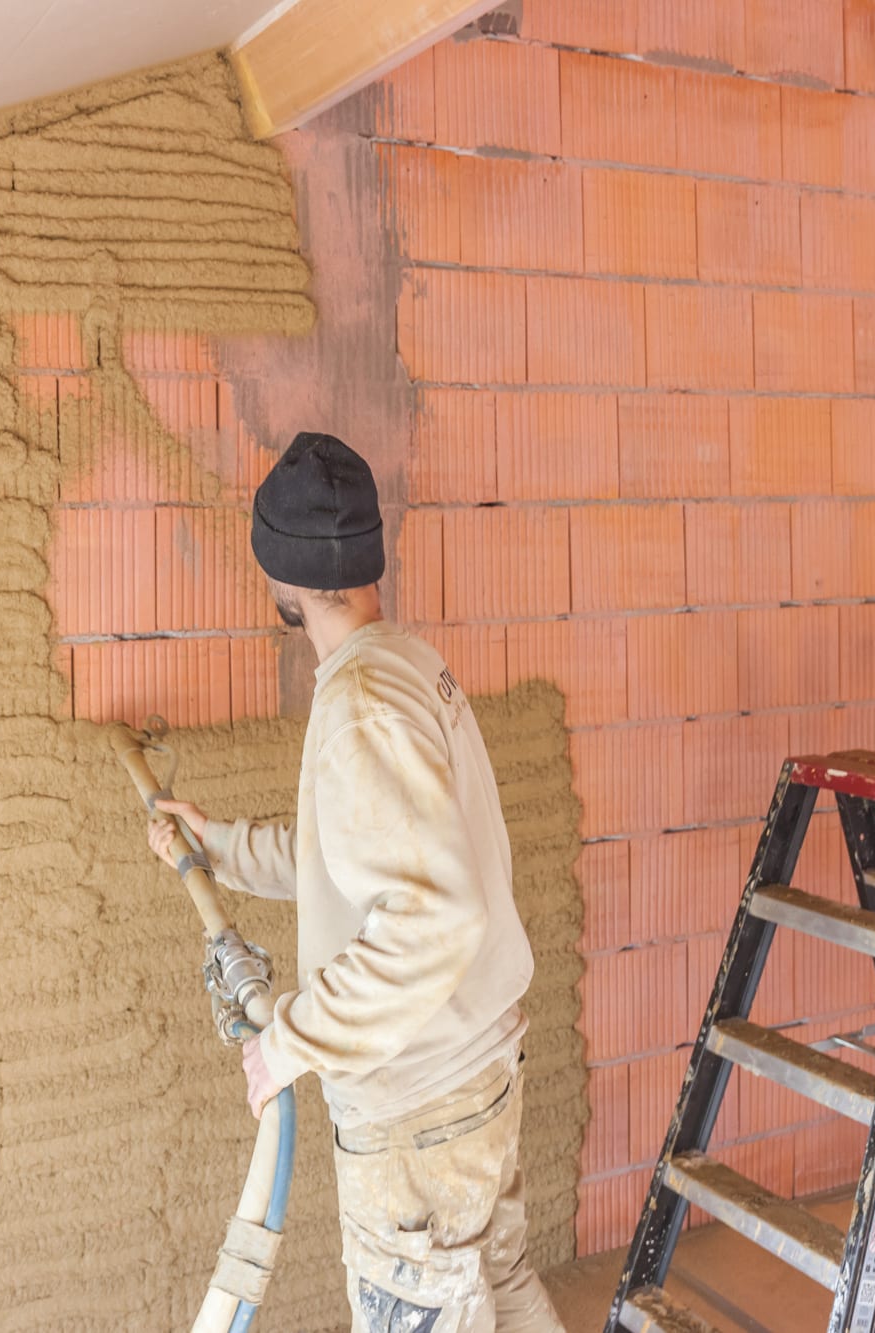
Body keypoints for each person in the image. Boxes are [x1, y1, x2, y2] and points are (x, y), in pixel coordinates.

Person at [143, 432, 566, 1333]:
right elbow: (358, 858)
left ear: (283, 578)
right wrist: (219, 844)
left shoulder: (360, 706)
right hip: (476, 1070)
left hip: (418, 1107)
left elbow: (430, 919)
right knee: (503, 1284)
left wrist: (292, 1037)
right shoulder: (402, 666)